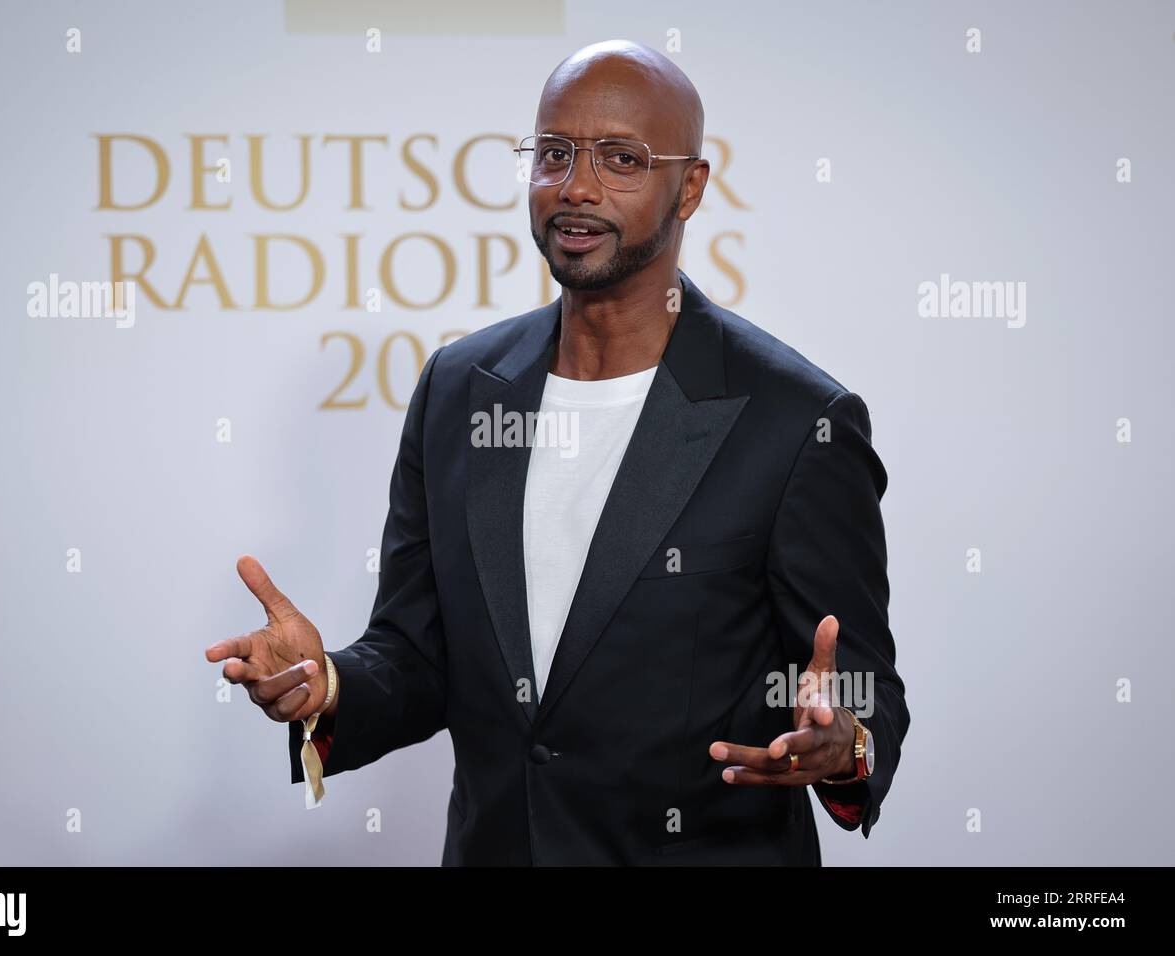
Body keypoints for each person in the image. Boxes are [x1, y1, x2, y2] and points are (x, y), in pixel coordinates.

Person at [206, 38, 908, 865]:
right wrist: (324, 683)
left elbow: (864, 690)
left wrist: (844, 743)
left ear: (690, 188)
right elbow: (417, 653)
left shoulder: (798, 420)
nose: (575, 185)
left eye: (621, 158)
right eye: (553, 153)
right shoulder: (460, 387)